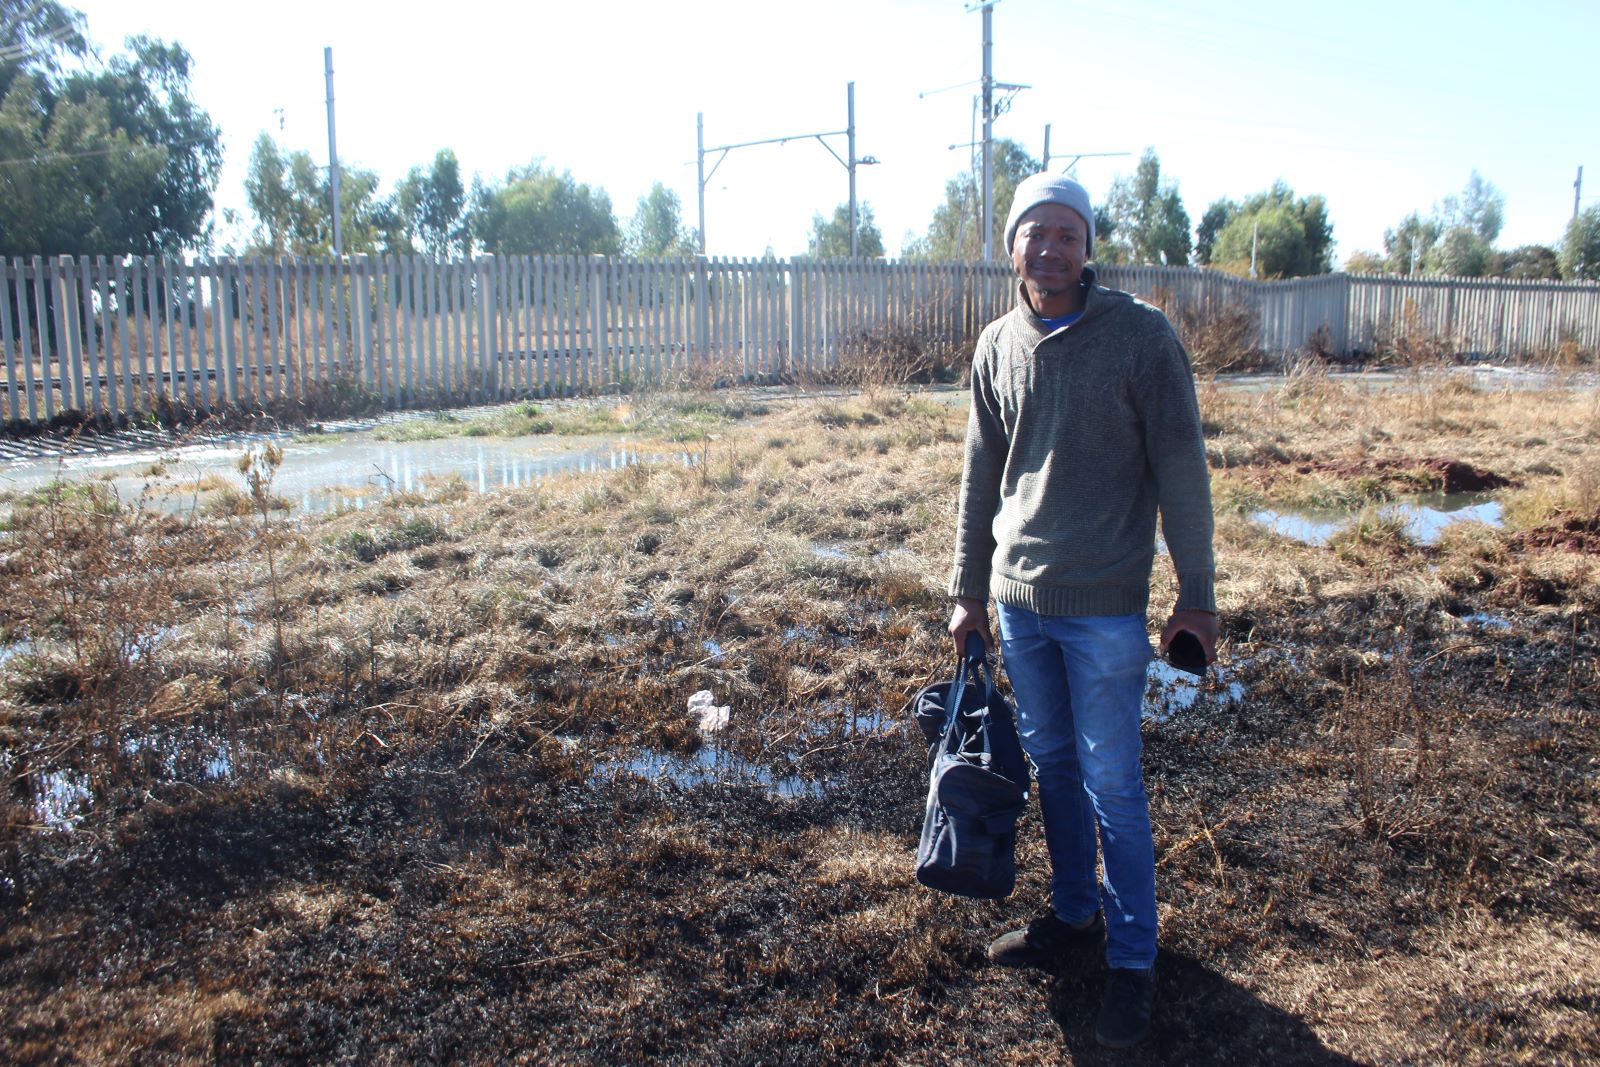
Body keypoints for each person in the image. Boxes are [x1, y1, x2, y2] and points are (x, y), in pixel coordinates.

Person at [946, 172, 1218, 1050]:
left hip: (1104, 611)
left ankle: (1133, 960)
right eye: (1036, 233)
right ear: (1013, 245)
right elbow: (981, 478)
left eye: (1068, 233)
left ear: (1088, 245)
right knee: (1053, 768)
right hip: (1020, 605)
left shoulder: (1141, 339)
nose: (1051, 247)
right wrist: (967, 591)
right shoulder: (996, 345)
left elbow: (1182, 471)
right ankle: (1073, 917)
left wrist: (1198, 597)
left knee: (1111, 782)